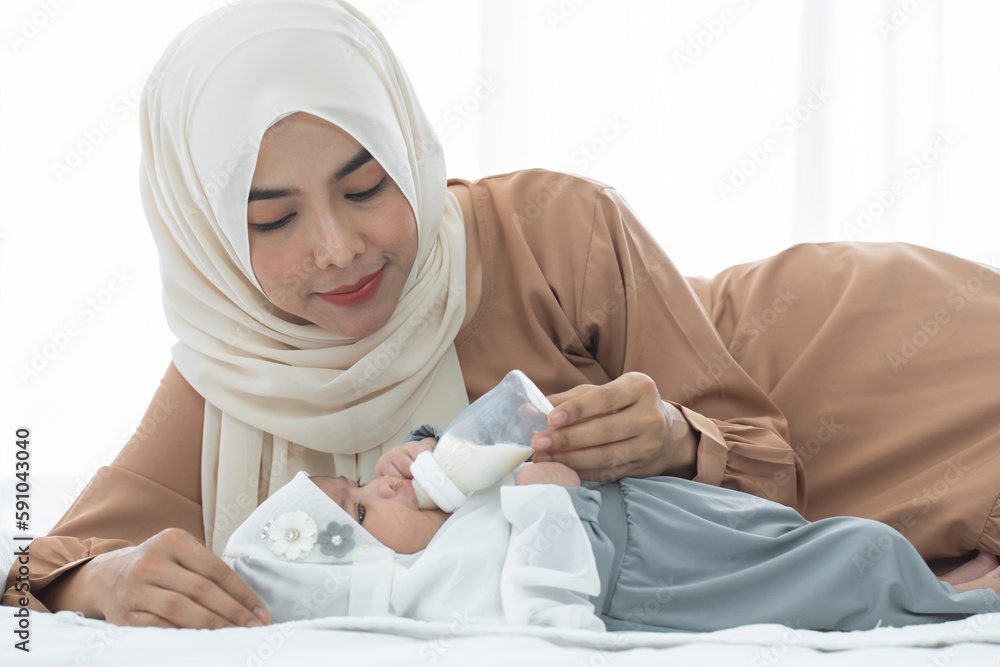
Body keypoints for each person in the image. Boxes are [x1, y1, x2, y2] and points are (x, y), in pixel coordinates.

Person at [3, 0, 999, 631]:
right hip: (745, 540)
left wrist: (668, 436)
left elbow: (771, 462)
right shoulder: (229, 367)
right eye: (272, 218)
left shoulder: (554, 228)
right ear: (209, 238)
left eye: (367, 184)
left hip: (849, 353)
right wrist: (100, 583)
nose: (341, 250)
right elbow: (43, 566)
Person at [223, 430, 1000, 632]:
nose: (380, 480)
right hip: (655, 575)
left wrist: (436, 455)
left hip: (662, 510)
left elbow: (495, 453)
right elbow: (551, 624)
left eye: (361, 474)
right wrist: (543, 506)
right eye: (360, 507)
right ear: (361, 576)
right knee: (847, 560)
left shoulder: (432, 517)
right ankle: (960, 604)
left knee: (801, 533)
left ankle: (934, 591)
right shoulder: (441, 597)